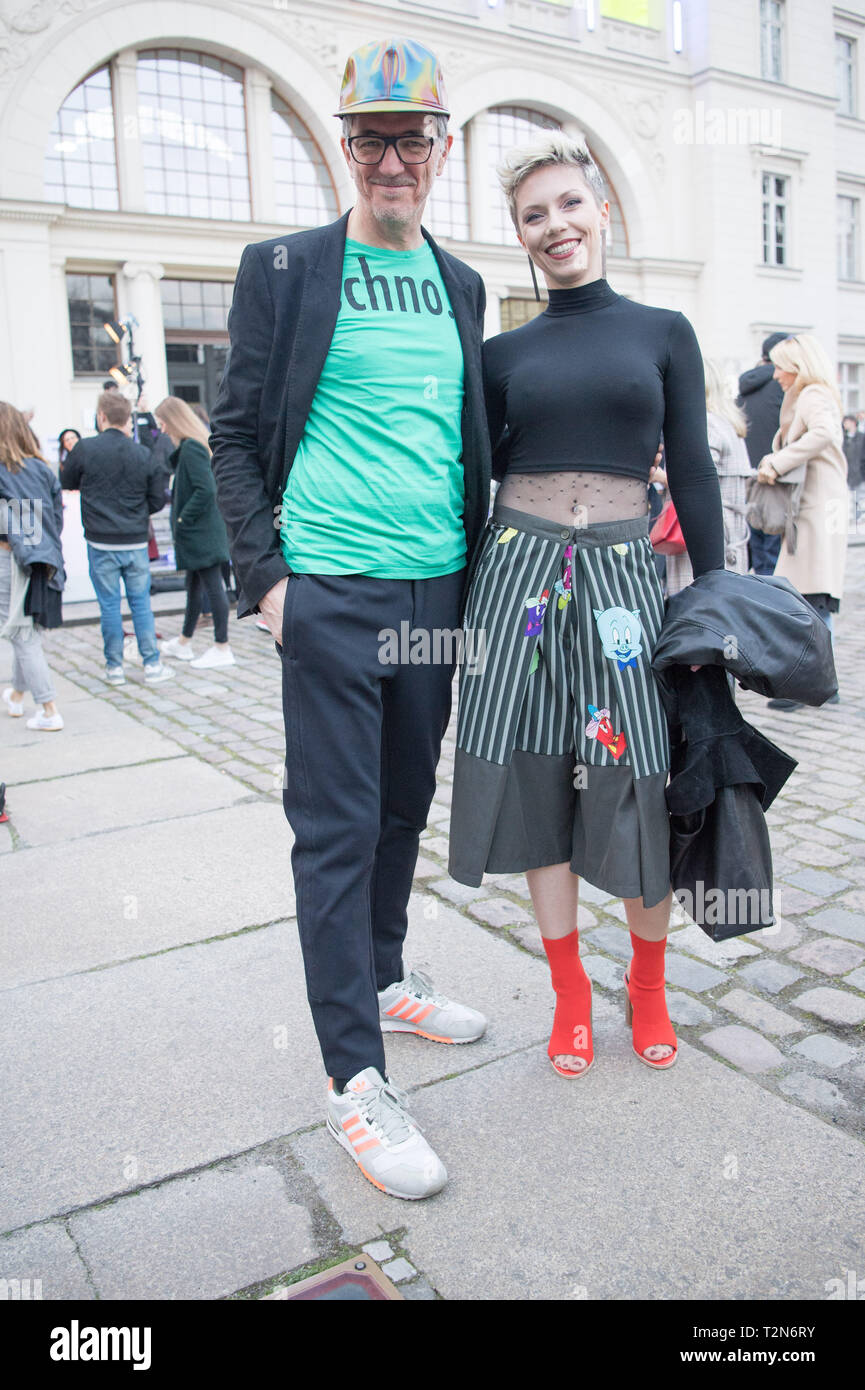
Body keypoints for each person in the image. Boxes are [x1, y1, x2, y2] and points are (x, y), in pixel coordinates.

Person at [210, 37, 492, 1202]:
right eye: (370, 136)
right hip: (328, 592)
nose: (391, 157)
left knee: (401, 810)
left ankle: (381, 977)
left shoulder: (462, 283)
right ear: (344, 143)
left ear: (440, 148)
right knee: (334, 831)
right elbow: (230, 434)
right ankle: (353, 1082)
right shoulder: (282, 267)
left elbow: (467, 441)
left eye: (411, 137)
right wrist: (271, 584)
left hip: (434, 595)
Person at [448, 132, 725, 1080]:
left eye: (568, 204)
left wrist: (713, 606)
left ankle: (645, 985)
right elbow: (466, 482)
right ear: (519, 235)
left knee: (635, 775)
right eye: (533, 215)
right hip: (515, 580)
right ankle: (569, 992)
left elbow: (689, 469)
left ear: (600, 206)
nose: (554, 225)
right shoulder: (497, 352)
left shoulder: (662, 332)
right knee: (533, 780)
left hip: (621, 581)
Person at [756, 333, 846, 711]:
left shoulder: (812, 395)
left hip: (818, 507)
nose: (775, 374)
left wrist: (779, 461)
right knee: (809, 596)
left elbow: (825, 434)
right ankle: (817, 682)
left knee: (811, 597)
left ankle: (815, 683)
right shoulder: (806, 395)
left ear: (796, 366)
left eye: (780, 366)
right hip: (814, 505)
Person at [60, 390, 174, 686]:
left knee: (109, 605)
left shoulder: (85, 448)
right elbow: (158, 498)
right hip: (134, 539)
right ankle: (151, 663)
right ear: (127, 419)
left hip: (101, 540)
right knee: (141, 604)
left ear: (101, 417)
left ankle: (114, 667)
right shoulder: (142, 453)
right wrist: (138, 514)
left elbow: (67, 481)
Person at [154, 396, 236, 669]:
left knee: (213, 588)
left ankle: (222, 646)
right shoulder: (192, 447)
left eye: (163, 423)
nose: (162, 429)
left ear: (174, 421)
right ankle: (184, 641)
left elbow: (205, 489)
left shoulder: (192, 449)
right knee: (194, 587)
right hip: (200, 532)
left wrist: (181, 517)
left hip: (200, 533)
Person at [661, 358, 752, 595]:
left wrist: (656, 475)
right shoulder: (728, 424)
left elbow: (693, 476)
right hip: (730, 535)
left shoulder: (707, 426)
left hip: (704, 532)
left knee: (696, 610)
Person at [0, 401, 65, 730]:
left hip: (9, 558)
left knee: (22, 634)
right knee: (26, 630)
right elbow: (56, 518)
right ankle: (16, 696)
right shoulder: (41, 468)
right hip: (42, 557)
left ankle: (48, 708)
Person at [737, 332, 786, 575]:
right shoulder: (783, 385)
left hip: (748, 480)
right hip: (775, 477)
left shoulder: (746, 386)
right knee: (774, 559)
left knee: (756, 554)